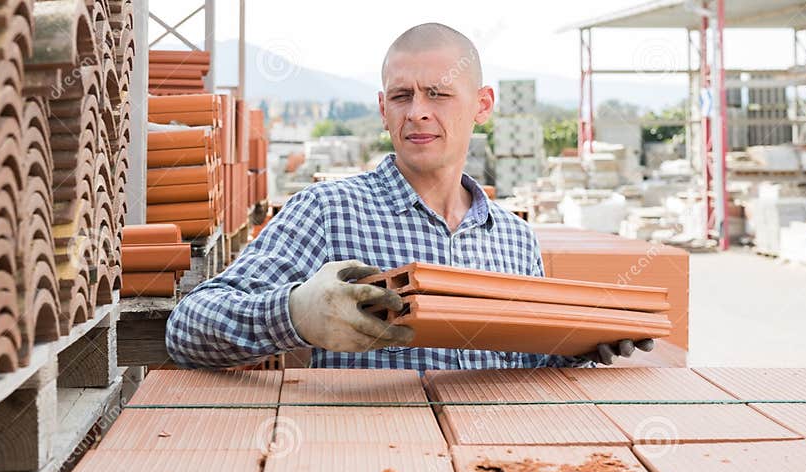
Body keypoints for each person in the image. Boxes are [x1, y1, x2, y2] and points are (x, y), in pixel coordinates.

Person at [166, 22, 653, 370]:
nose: (418, 112)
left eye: (438, 94)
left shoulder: (514, 238)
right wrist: (294, 313)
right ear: (383, 108)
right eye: (402, 96)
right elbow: (186, 329)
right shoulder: (328, 213)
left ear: (481, 105)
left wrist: (575, 348)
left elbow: (519, 365)